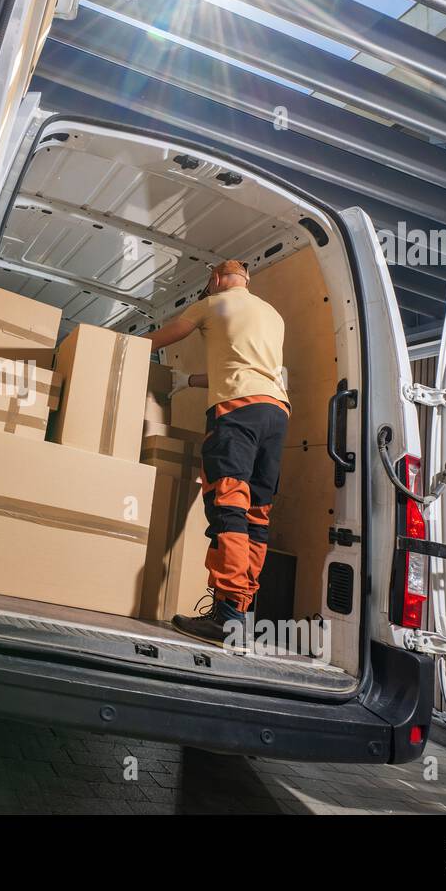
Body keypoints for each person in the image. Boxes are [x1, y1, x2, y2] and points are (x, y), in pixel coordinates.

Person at [146, 259, 290, 647]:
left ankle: (226, 616)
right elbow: (242, 365)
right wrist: (188, 381)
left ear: (214, 280)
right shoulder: (272, 315)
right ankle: (241, 610)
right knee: (257, 512)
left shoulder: (213, 303)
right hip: (276, 412)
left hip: (237, 412)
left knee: (228, 504)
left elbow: (165, 336)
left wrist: (119, 345)